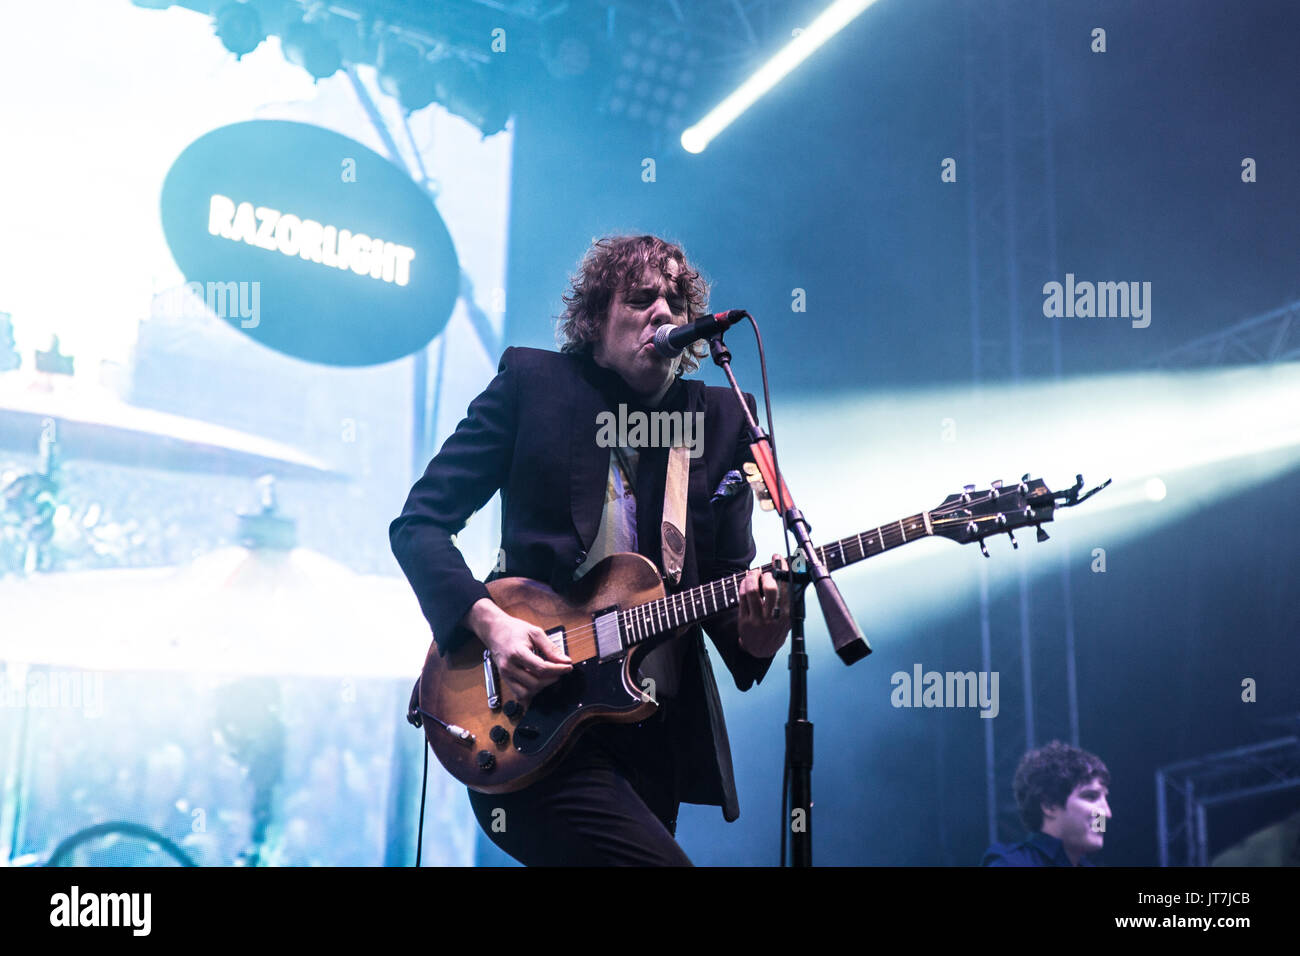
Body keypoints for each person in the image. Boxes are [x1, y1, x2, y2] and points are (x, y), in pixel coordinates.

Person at [390, 235, 792, 865]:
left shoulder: (718, 422)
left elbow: (724, 592)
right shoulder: (534, 386)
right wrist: (489, 623)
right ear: (595, 321)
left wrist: (760, 635)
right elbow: (418, 525)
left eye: (676, 301)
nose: (663, 311)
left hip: (650, 732)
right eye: (640, 298)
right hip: (526, 721)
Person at [981, 740, 1112, 866]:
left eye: (1105, 798)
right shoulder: (1011, 864)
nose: (1106, 813)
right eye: (1091, 796)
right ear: (1049, 805)